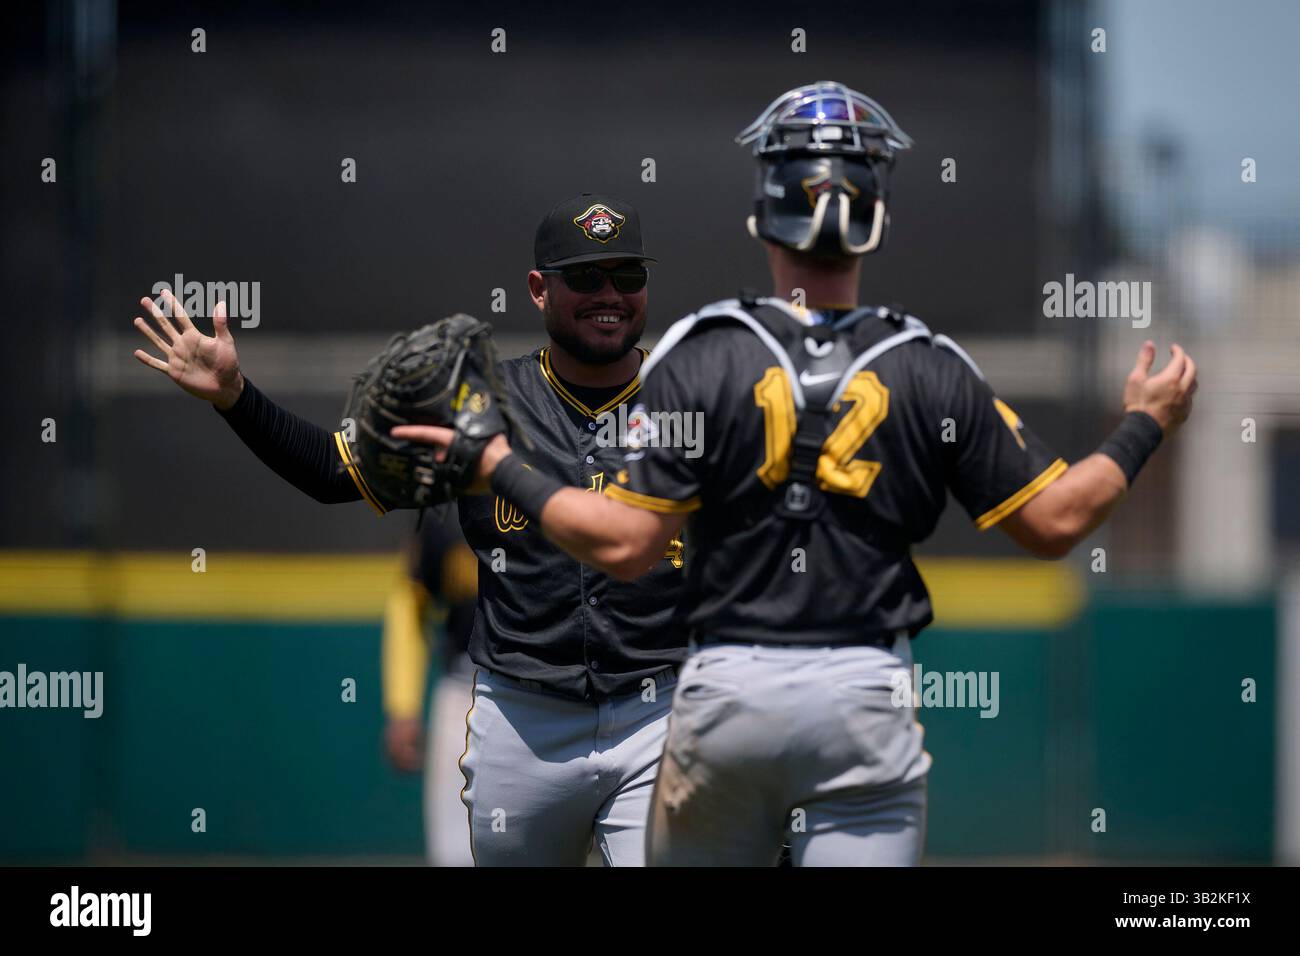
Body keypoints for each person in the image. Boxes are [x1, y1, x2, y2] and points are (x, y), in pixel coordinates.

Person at [394, 81, 1199, 866]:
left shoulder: (704, 350)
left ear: (762, 218)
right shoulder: (926, 362)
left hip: (727, 692)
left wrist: (498, 461)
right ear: (877, 216)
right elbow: (1057, 521)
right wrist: (1143, 424)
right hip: (865, 693)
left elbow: (628, 542)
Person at [131, 194, 687, 866]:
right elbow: (334, 473)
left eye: (627, 276)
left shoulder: (688, 401)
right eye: (587, 277)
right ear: (539, 290)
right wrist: (236, 398)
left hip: (658, 710)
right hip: (524, 720)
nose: (611, 295)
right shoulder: (481, 408)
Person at [380, 508, 477, 867]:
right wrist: (403, 705)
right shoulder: (444, 507)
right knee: (454, 854)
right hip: (463, 692)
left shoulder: (559, 486)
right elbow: (411, 601)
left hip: (550, 695)